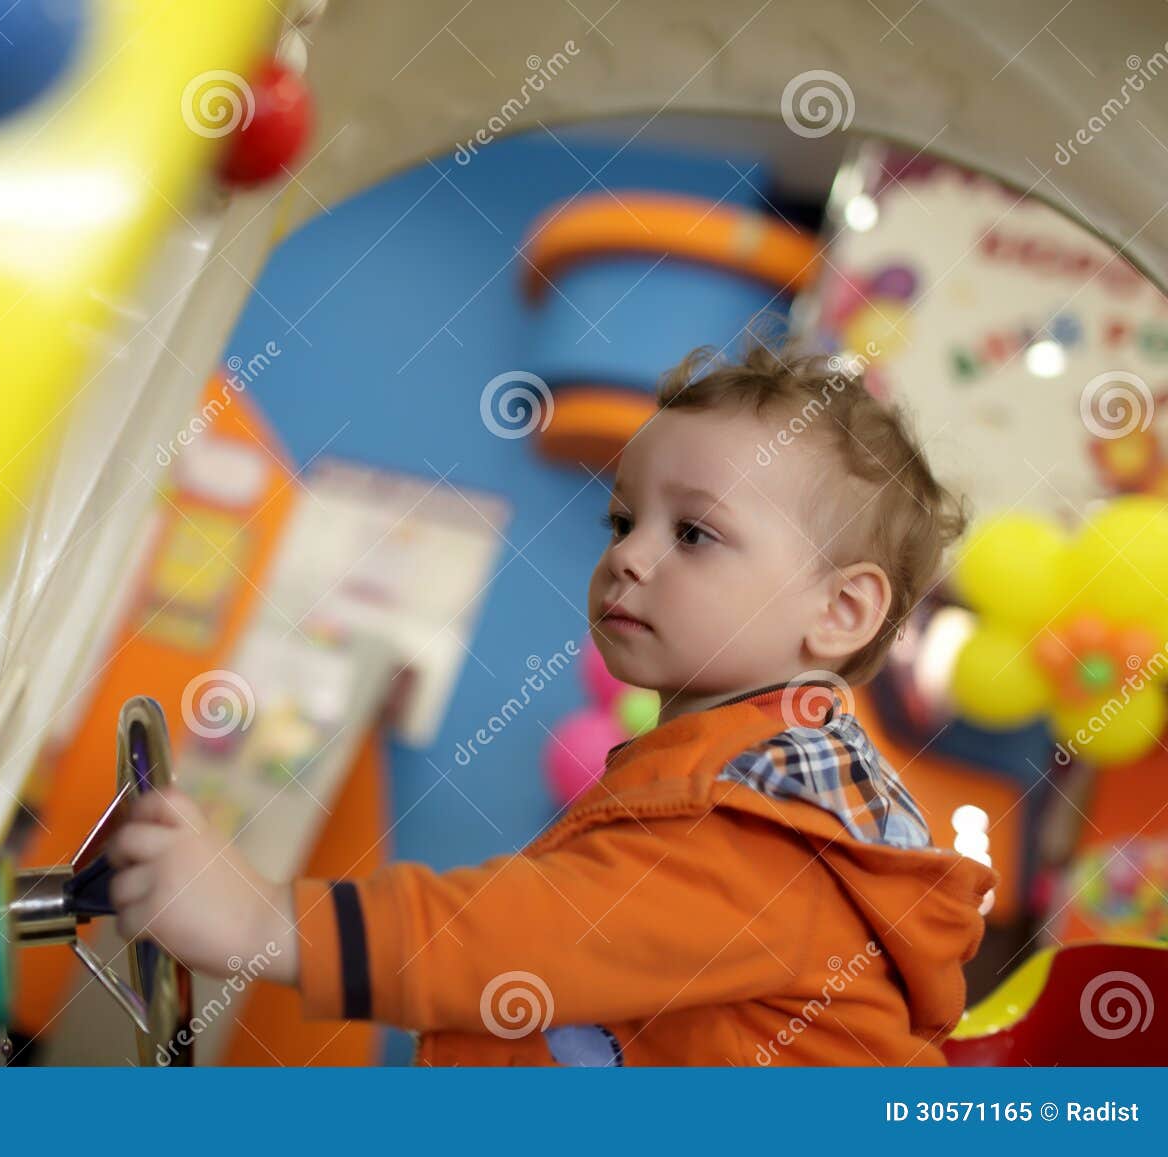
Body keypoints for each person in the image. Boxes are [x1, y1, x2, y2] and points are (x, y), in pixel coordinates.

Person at [105, 335, 997, 1066]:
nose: (630, 556)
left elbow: (531, 936)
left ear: (840, 611)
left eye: (694, 532)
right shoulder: (718, 775)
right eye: (624, 521)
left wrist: (267, 920)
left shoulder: (778, 827)